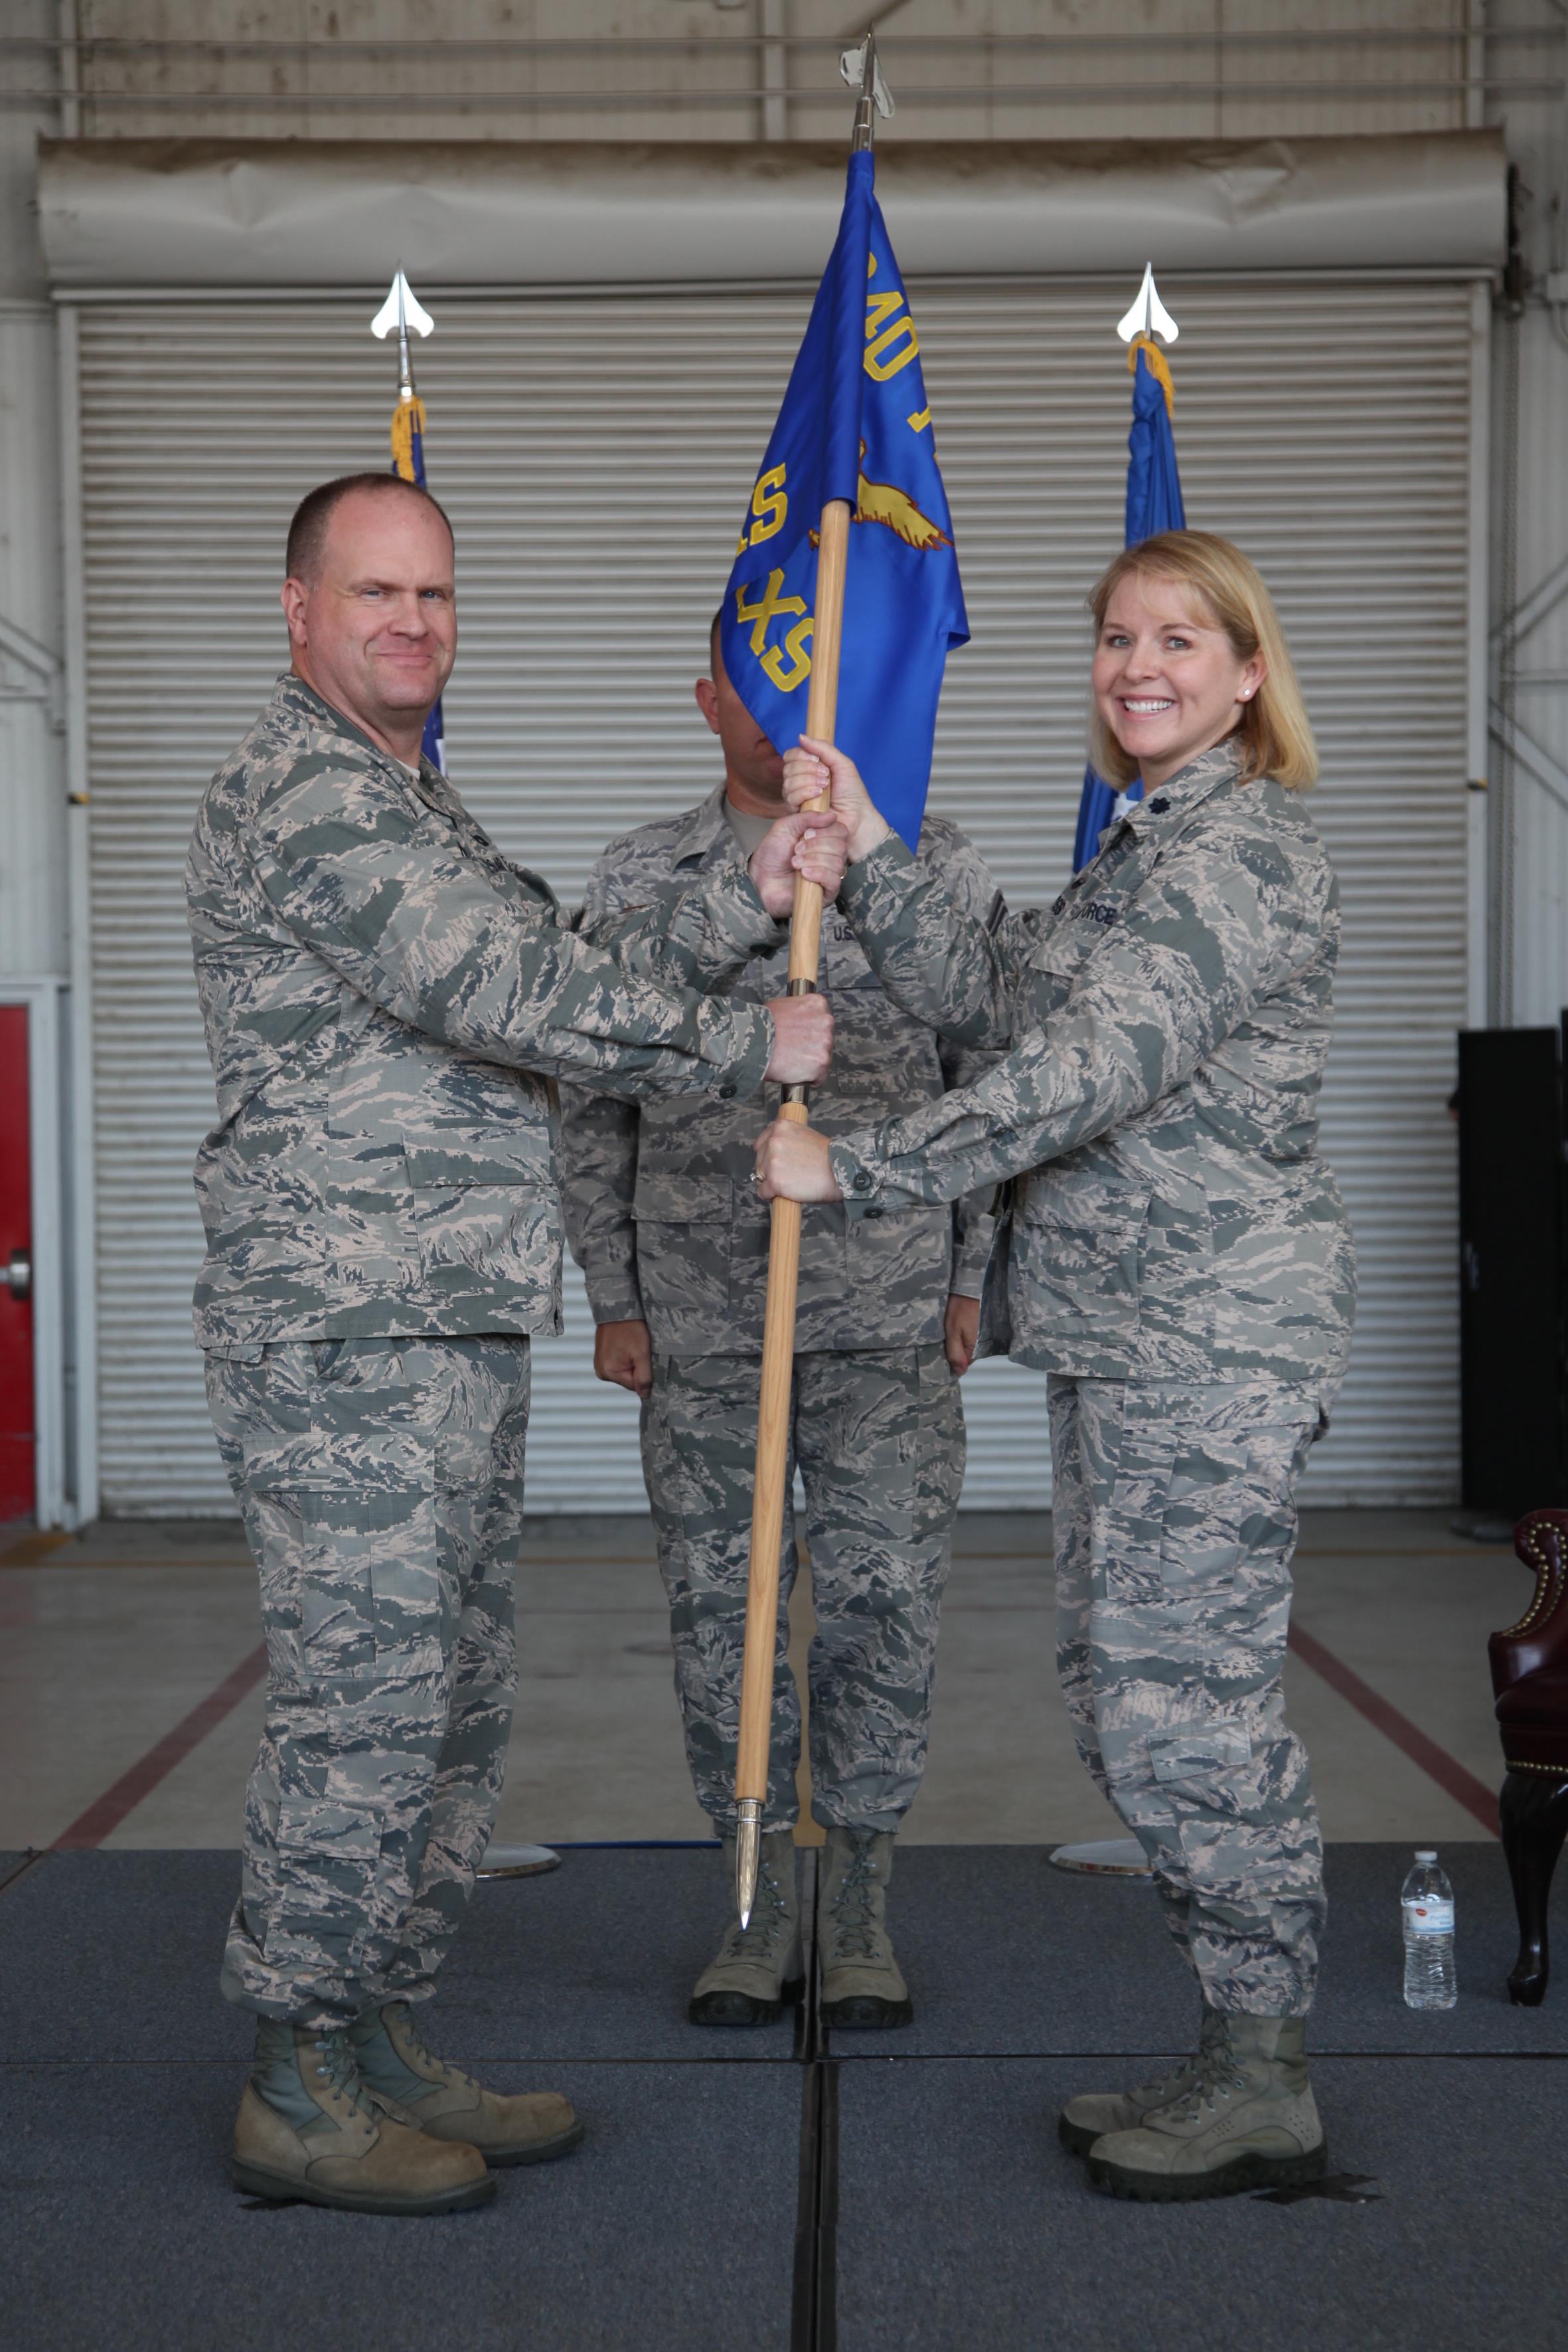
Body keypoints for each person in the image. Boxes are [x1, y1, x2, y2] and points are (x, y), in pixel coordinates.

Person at [187, 473, 844, 2215]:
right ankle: (292, 2076)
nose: (413, 621)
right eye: (377, 591)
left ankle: (378, 2027)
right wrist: (744, 1041)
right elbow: (506, 991)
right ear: (298, 609)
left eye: (437, 595)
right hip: (344, 1326)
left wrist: (742, 892)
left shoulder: (413, 794)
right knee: (366, 1701)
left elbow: (553, 944)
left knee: (454, 1707)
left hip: (445, 1313)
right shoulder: (301, 795)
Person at [757, 529, 1355, 2200]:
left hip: (1207, 1344)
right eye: (1113, 637)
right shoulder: (1144, 852)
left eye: (1179, 638)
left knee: (1190, 1712)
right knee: (1125, 1700)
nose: (1137, 665)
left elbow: (1083, 1070)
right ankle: (1236, 2041)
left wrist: (853, 1167)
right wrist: (870, 848)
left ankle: (1266, 2073)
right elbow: (1005, 997)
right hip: (1127, 1341)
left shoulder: (1239, 859)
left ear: (1247, 674)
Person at [560, 614, 1000, 2031]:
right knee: (721, 1621)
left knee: (879, 1608)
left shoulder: (920, 854)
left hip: (880, 1308)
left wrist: (968, 1275)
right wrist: (611, 1292)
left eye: (808, 670)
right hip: (701, 1316)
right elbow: (587, 1089)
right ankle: (748, 1902)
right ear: (706, 697)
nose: (782, 703)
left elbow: (984, 1071)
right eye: (753, 677)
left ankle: (859, 1896)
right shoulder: (641, 873)